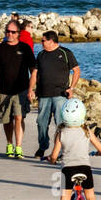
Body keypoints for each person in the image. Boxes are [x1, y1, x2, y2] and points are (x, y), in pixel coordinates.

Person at [47, 98, 101, 200]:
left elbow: (54, 155)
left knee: (65, 198)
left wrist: (51, 159)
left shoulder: (61, 132)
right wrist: (100, 153)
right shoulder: (86, 129)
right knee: (91, 196)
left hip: (67, 169)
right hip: (85, 168)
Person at [0, 20, 36, 158]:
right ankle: (9, 144)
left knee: (19, 117)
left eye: (13, 32)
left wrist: (31, 89)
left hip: (21, 89)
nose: (9, 34)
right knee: (7, 120)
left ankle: (19, 146)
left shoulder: (25, 48)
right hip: (3, 89)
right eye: (7, 31)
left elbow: (33, 69)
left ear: (18, 33)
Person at [32, 31, 80, 161]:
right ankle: (42, 146)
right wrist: (31, 89)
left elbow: (76, 70)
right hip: (43, 94)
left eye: (43, 41)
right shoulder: (41, 55)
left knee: (60, 124)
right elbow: (35, 73)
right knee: (41, 123)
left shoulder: (65, 53)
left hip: (60, 95)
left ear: (51, 41)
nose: (41, 43)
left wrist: (72, 88)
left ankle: (61, 151)